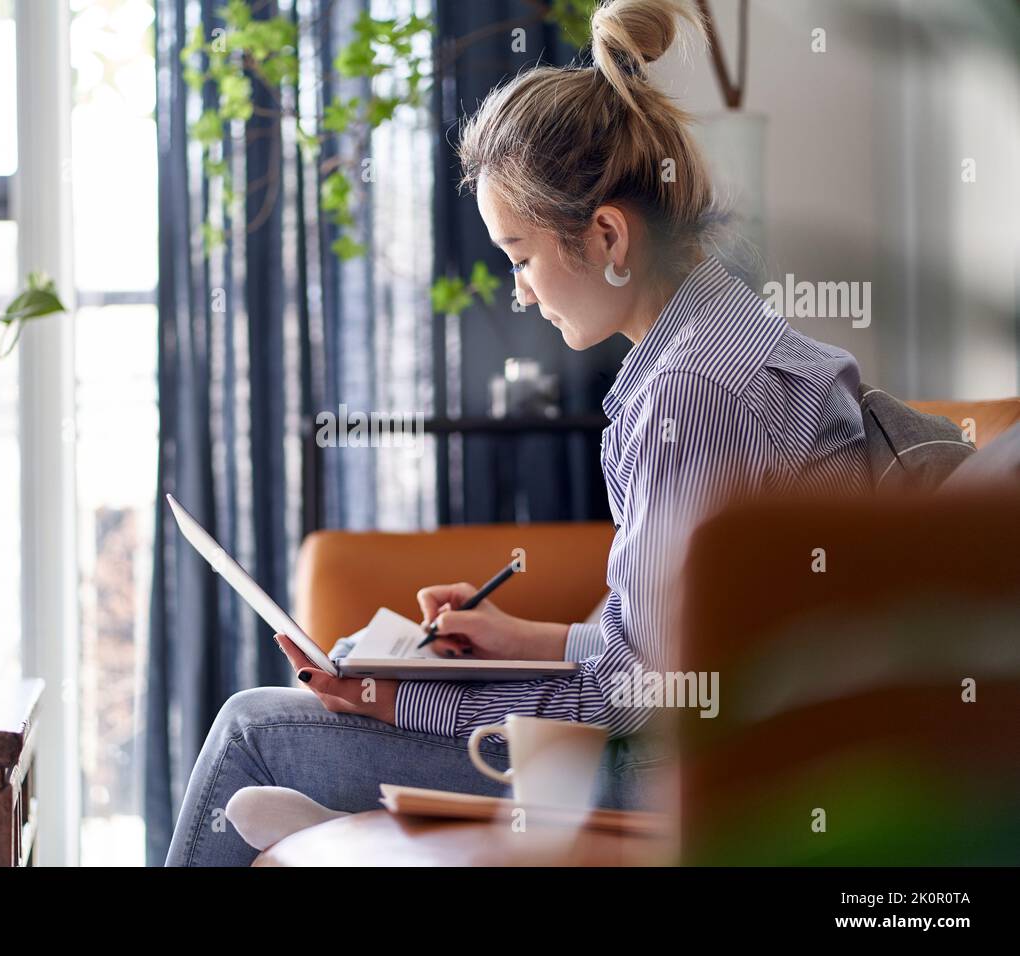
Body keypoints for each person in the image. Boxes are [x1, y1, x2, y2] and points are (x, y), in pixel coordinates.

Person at [164, 0, 867, 867]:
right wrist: (513, 639)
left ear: (608, 234)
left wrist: (400, 703)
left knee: (251, 729)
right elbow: (654, 651)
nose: (521, 292)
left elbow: (639, 693)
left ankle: (328, 815)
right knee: (280, 740)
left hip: (696, 774)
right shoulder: (723, 339)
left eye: (521, 255)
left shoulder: (694, 388)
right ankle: (326, 823)